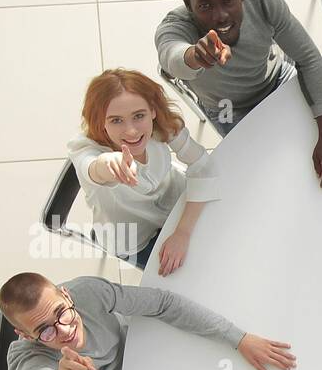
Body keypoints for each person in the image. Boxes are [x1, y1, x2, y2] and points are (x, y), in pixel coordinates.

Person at [154, 0, 322, 190]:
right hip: (229, 110)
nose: (220, 16)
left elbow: (307, 58)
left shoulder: (263, 0)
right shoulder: (174, 27)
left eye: (228, 0)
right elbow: (172, 57)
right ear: (188, 4)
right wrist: (195, 56)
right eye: (205, 6)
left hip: (276, 80)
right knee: (267, 181)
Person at [0, 271, 295, 370]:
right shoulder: (23, 358)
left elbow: (162, 303)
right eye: (45, 331)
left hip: (141, 348)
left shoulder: (89, 292)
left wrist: (238, 338)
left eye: (61, 312)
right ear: (24, 335)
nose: (64, 330)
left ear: (66, 295)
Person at [67, 69, 219, 275]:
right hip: (134, 237)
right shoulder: (85, 149)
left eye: (138, 116)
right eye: (116, 120)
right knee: (188, 276)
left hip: (176, 202)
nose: (131, 131)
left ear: (153, 111)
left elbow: (203, 165)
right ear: (101, 121)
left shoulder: (162, 125)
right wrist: (110, 164)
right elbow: (93, 167)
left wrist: (182, 232)